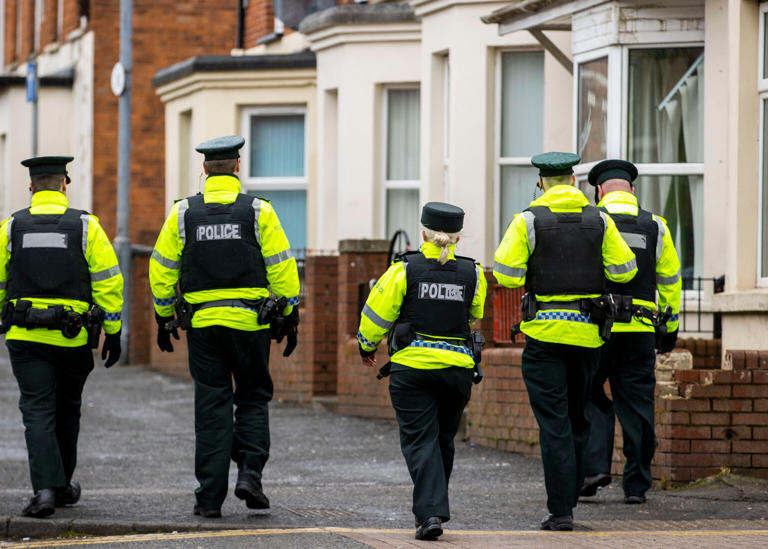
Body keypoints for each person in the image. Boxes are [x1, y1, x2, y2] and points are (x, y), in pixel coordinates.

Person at [149, 135, 300, 518]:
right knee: (252, 397)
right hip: (250, 323)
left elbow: (162, 268)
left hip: (203, 326)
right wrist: (289, 310)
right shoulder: (258, 211)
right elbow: (281, 265)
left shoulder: (183, 213)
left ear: (204, 169)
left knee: (212, 406)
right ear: (237, 167)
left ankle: (209, 499)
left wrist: (164, 315)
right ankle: (250, 473)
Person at [493, 152, 637, 531]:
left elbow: (506, 275)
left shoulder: (528, 221)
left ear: (541, 183)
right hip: (588, 336)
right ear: (574, 181)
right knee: (578, 418)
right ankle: (569, 495)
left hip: (544, 337)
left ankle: (561, 510)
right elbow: (625, 271)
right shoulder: (600, 220)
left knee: (554, 423)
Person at [0, 156, 123, 518]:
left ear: (31, 187)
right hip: (72, 338)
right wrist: (114, 331)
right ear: (64, 185)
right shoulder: (86, 227)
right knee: (67, 410)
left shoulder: (11, 227)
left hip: (25, 337)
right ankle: (61, 487)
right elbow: (108, 281)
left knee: (37, 410)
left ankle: (44, 491)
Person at [357, 202, 487, 541]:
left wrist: (366, 346)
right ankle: (434, 508)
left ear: (424, 234)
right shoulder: (473, 273)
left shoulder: (404, 270)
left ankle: (429, 513)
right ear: (458, 238)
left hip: (412, 371)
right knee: (442, 439)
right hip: (457, 370)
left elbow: (376, 314)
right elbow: (474, 313)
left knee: (420, 440)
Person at [580, 159, 681, 504]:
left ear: (599, 191)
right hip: (639, 330)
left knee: (590, 395)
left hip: (596, 329)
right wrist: (669, 330)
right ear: (632, 190)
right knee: (638, 407)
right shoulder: (656, 226)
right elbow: (670, 282)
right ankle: (636, 485)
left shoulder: (591, 221)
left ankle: (594, 468)